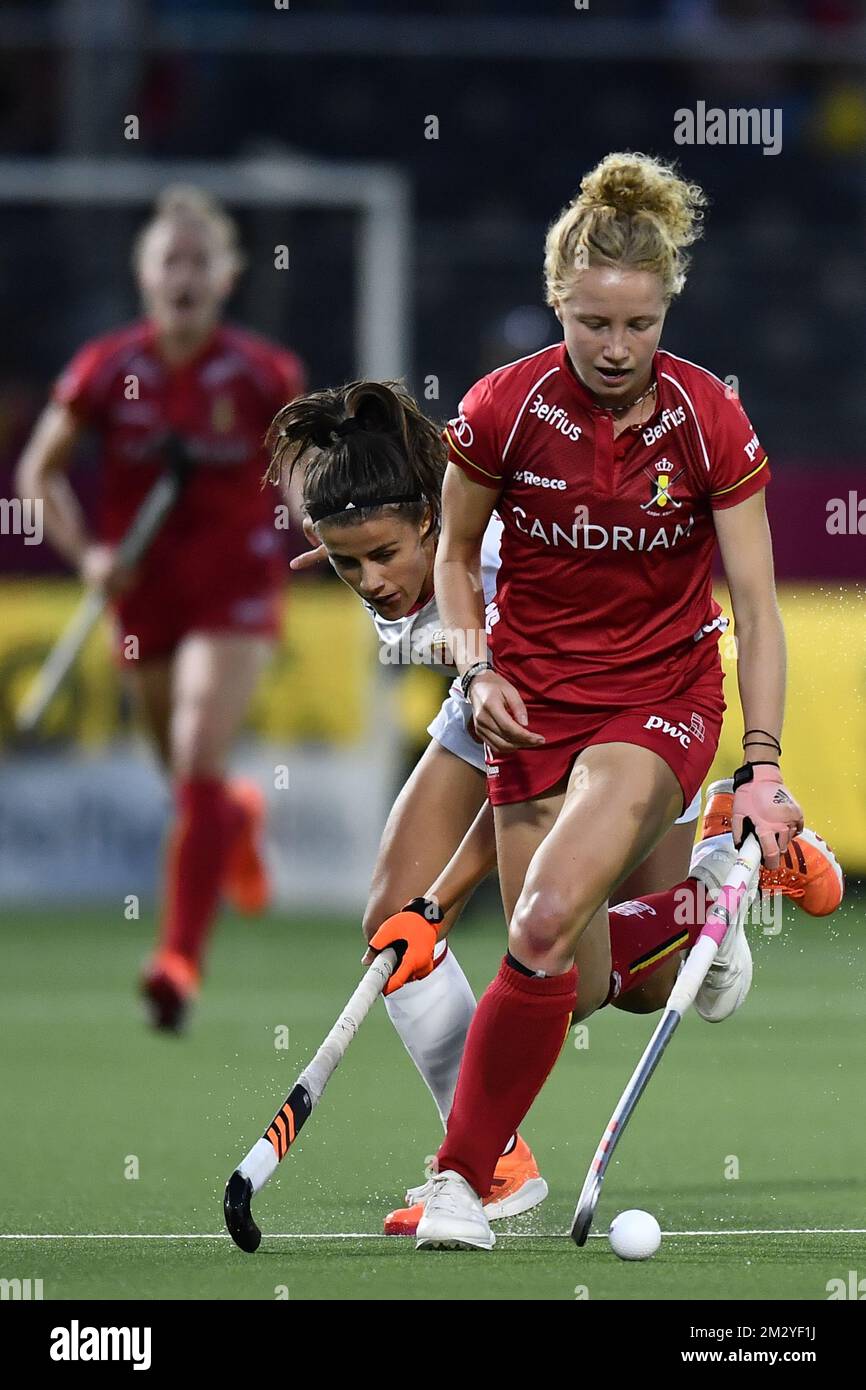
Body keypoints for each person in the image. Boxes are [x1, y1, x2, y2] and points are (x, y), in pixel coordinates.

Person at [360, 151, 841, 1251]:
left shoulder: (708, 419)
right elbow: (453, 558)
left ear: (665, 307)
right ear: (556, 305)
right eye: (591, 324)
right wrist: (472, 666)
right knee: (577, 985)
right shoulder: (501, 409)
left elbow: (758, 610)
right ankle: (709, 885)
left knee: (530, 924)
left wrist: (760, 762)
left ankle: (458, 1181)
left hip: (658, 701)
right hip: (530, 702)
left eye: (637, 324)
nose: (615, 349)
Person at [266, 375, 841, 1237]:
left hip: (614, 698)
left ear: (432, 518)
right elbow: (497, 751)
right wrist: (421, 908)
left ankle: (723, 873)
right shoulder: (405, 554)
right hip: (493, 701)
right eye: (347, 563)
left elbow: (521, 781)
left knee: (606, 986)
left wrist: (445, 900)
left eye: (382, 555)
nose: (369, 581)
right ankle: (492, 1164)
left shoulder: (496, 566)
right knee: (395, 910)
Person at [16, 187, 307, 1031]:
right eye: (168, 260)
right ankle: (239, 817)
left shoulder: (263, 372)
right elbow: (40, 473)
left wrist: (312, 514)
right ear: (144, 273)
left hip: (236, 586)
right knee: (188, 781)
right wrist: (89, 555)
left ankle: (177, 960)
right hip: (143, 591)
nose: (184, 275)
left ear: (228, 276)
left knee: (195, 750)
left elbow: (292, 472)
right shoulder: (107, 367)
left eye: (199, 261)